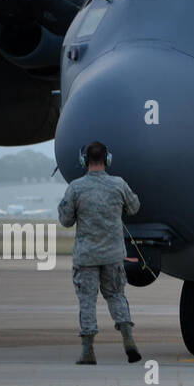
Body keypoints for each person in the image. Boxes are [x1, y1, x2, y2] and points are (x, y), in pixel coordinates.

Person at [57, 141, 142, 365]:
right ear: (108, 160)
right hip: (113, 254)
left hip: (86, 256)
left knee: (87, 300)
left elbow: (65, 220)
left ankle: (88, 351)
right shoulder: (118, 185)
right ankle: (128, 340)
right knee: (116, 296)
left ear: (85, 160)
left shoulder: (76, 188)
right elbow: (134, 207)